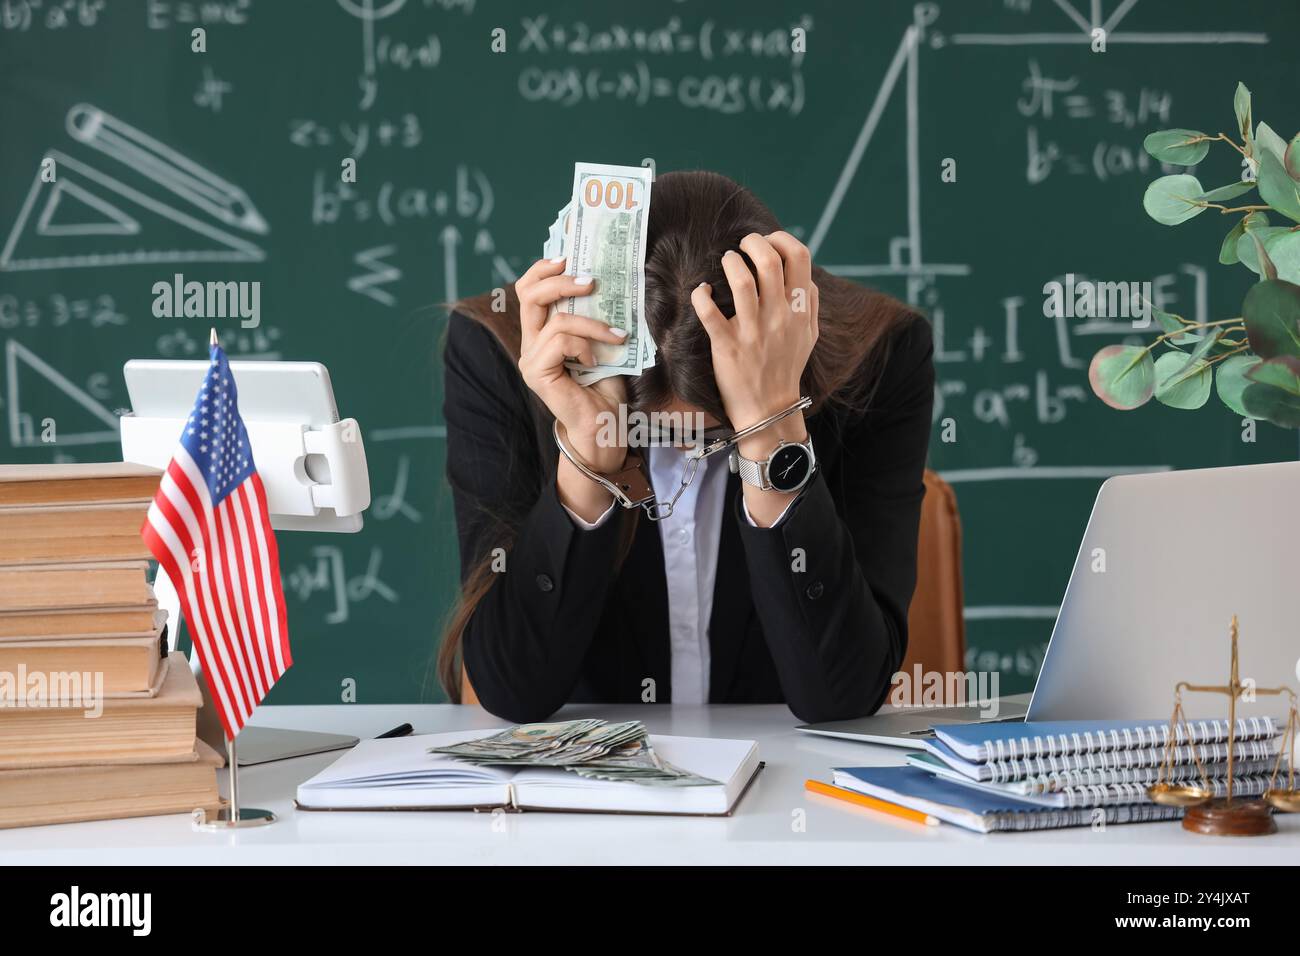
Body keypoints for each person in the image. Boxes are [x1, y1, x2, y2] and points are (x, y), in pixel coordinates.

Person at [438, 170, 934, 723]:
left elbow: (841, 696)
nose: (684, 457)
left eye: (713, 439)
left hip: (790, 785)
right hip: (583, 792)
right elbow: (512, 691)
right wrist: (591, 453)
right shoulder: (498, 355)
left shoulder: (882, 357)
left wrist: (770, 430)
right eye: (652, 433)